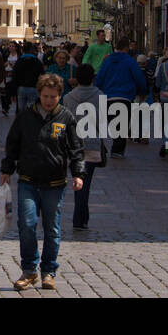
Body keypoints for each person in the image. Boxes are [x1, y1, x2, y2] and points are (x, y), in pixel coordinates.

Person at [1, 73, 85, 291]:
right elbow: (13, 144)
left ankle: (48, 271)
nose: (49, 101)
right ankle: (29, 271)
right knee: (27, 225)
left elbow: (76, 149)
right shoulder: (26, 116)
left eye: (54, 97)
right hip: (28, 180)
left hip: (55, 183)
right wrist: (7, 168)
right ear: (39, 94)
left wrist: (78, 174)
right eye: (46, 96)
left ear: (60, 96)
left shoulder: (66, 118)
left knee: (52, 229)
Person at [62, 64, 105, 230]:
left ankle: (81, 217)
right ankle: (80, 219)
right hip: (92, 144)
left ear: (76, 79)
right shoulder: (100, 96)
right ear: (93, 78)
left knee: (78, 181)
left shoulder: (68, 98)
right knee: (85, 183)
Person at [94, 34, 147, 158]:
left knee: (113, 123)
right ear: (127, 48)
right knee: (123, 125)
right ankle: (117, 150)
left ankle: (115, 147)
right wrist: (143, 91)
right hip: (125, 97)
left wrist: (97, 90)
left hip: (109, 97)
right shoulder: (130, 61)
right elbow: (139, 78)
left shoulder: (107, 61)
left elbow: (100, 78)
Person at [12, 42, 45, 113]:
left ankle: (23, 123)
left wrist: (13, 92)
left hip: (21, 88)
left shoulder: (19, 61)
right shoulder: (37, 61)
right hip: (33, 87)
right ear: (32, 50)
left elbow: (14, 76)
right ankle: (30, 123)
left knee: (21, 111)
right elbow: (42, 75)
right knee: (32, 111)